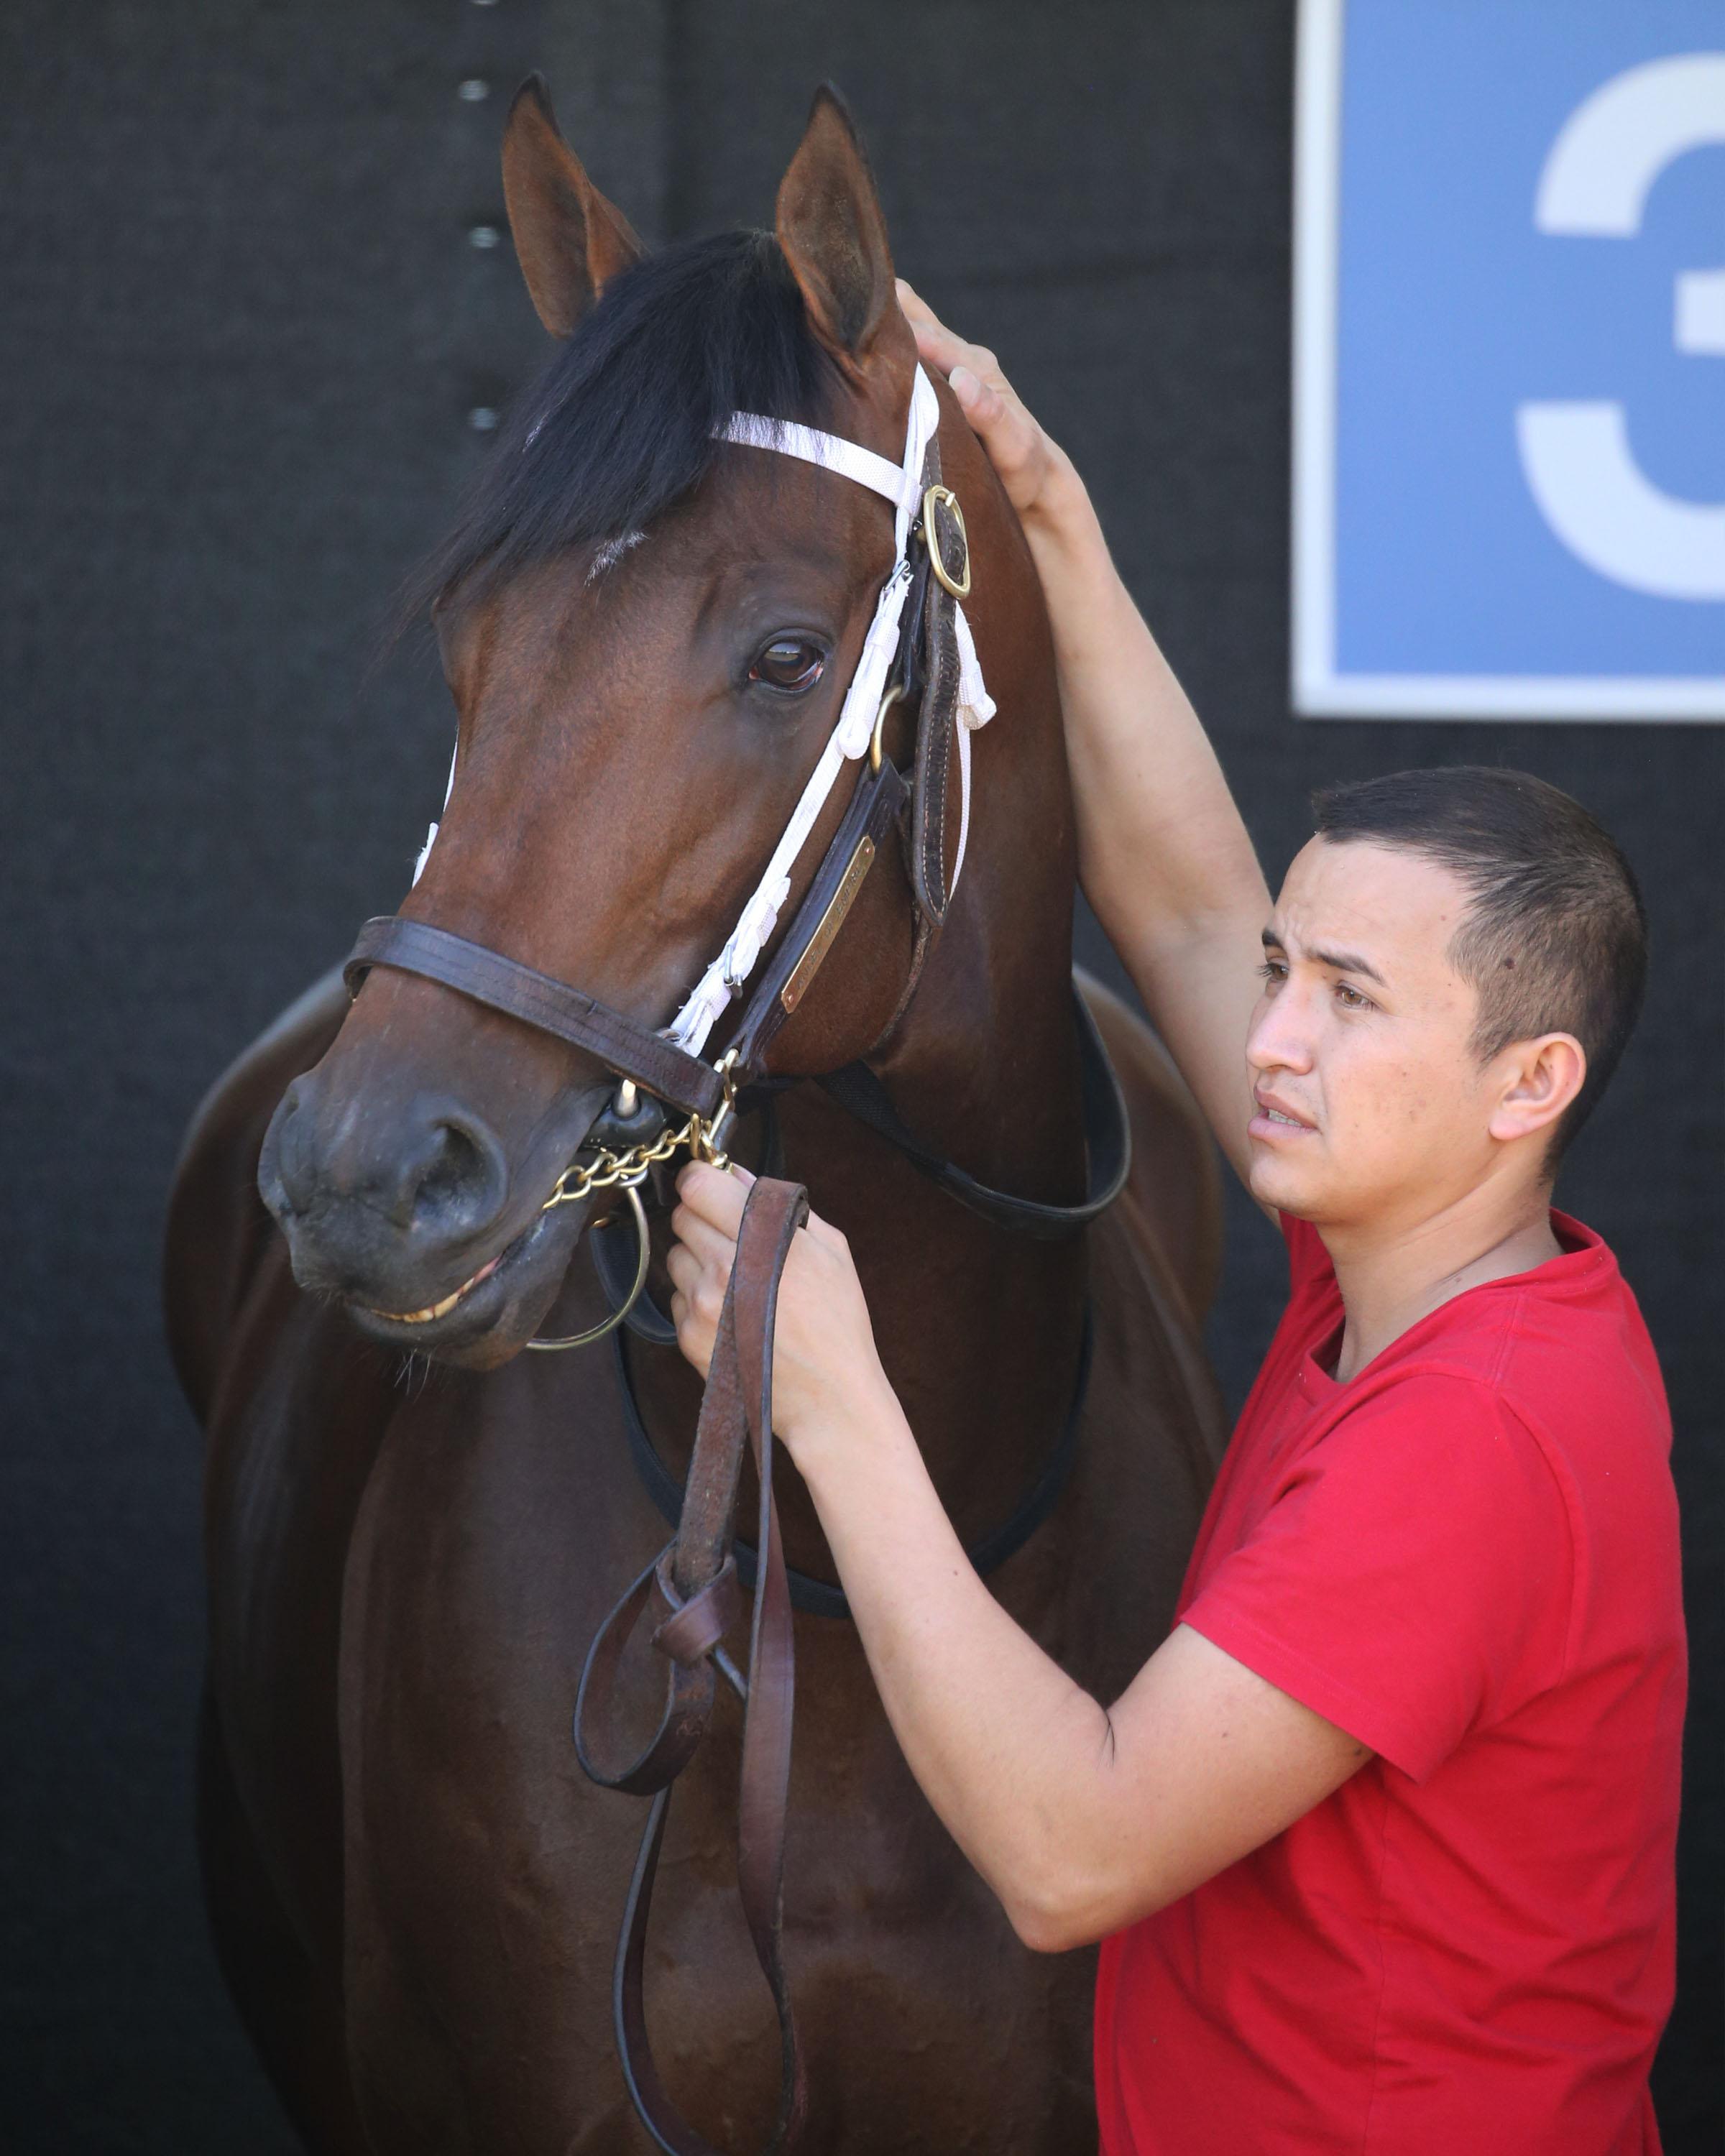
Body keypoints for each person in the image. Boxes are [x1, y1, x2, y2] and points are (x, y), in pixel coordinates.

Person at [666, 285, 1685, 2156]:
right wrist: (1051, 520)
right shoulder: (1425, 1256)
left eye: (1349, 1001)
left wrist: (833, 1401)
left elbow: (1075, 1852)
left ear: (1526, 1084)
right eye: (1291, 972)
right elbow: (1196, 905)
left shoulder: (1476, 1439)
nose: (1268, 1039)